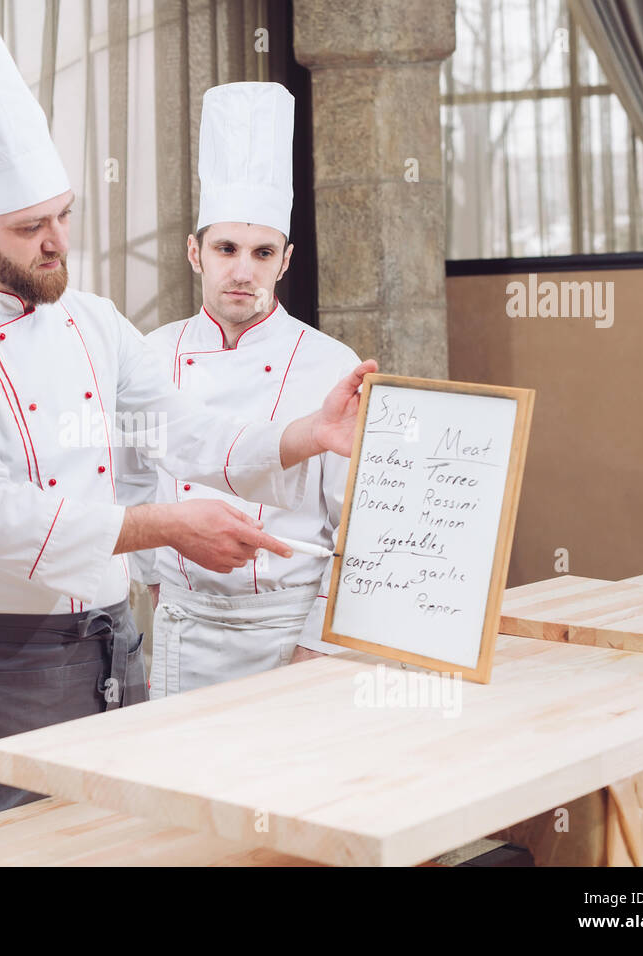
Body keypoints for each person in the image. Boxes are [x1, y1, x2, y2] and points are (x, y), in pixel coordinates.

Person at [0, 30, 376, 830]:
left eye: (65, 216)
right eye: (28, 227)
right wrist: (168, 530)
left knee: (123, 845)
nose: (56, 244)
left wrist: (305, 436)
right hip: (4, 664)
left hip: (115, 652)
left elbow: (187, 434)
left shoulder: (96, 323)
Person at [127, 82, 362, 696]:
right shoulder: (149, 357)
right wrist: (158, 583)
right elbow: (133, 482)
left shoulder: (329, 365)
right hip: (183, 628)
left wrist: (318, 642)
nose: (242, 270)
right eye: (226, 248)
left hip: (290, 628)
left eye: (262, 253)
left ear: (284, 261)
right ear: (194, 252)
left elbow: (355, 527)